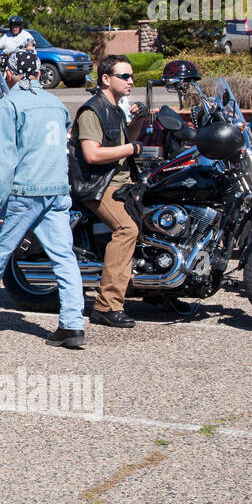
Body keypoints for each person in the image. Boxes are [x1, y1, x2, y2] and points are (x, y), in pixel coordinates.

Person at [0, 49, 86, 348]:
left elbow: (2, 161)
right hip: (56, 190)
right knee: (64, 258)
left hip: (22, 193)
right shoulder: (56, 104)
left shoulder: (8, 106)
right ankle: (72, 325)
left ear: (11, 72)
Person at [70, 55, 147, 329]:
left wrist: (140, 120)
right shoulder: (93, 110)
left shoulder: (114, 108)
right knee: (127, 230)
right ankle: (106, 305)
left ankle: (159, 291)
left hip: (120, 182)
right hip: (99, 185)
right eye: (124, 76)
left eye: (131, 76)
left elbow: (126, 141)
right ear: (106, 79)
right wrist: (130, 149)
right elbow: (92, 154)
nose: (131, 81)